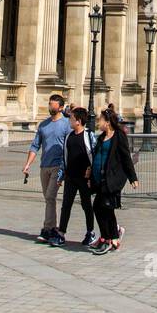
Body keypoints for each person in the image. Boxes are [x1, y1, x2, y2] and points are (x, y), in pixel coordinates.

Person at [23, 94, 74, 243]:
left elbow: (69, 147)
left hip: (58, 166)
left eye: (53, 105)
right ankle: (53, 228)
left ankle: (48, 229)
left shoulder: (66, 124)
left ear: (60, 107)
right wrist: (27, 164)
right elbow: (35, 146)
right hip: (44, 165)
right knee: (48, 198)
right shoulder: (43, 125)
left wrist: (65, 170)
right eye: (50, 104)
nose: (50, 107)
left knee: (50, 196)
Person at [89, 104, 139, 255]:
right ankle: (113, 237)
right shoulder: (101, 137)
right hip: (100, 178)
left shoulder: (118, 136)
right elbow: (96, 155)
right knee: (104, 208)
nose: (98, 123)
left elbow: (126, 158)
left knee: (101, 207)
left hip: (112, 179)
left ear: (108, 122)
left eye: (100, 120)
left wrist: (133, 178)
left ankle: (107, 239)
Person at [49, 106, 95, 248]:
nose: (69, 120)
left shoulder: (89, 136)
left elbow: (94, 155)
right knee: (66, 205)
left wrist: (92, 173)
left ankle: (90, 232)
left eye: (72, 118)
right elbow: (65, 157)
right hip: (71, 176)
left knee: (86, 205)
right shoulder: (69, 136)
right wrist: (61, 175)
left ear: (79, 121)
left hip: (84, 177)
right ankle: (61, 233)